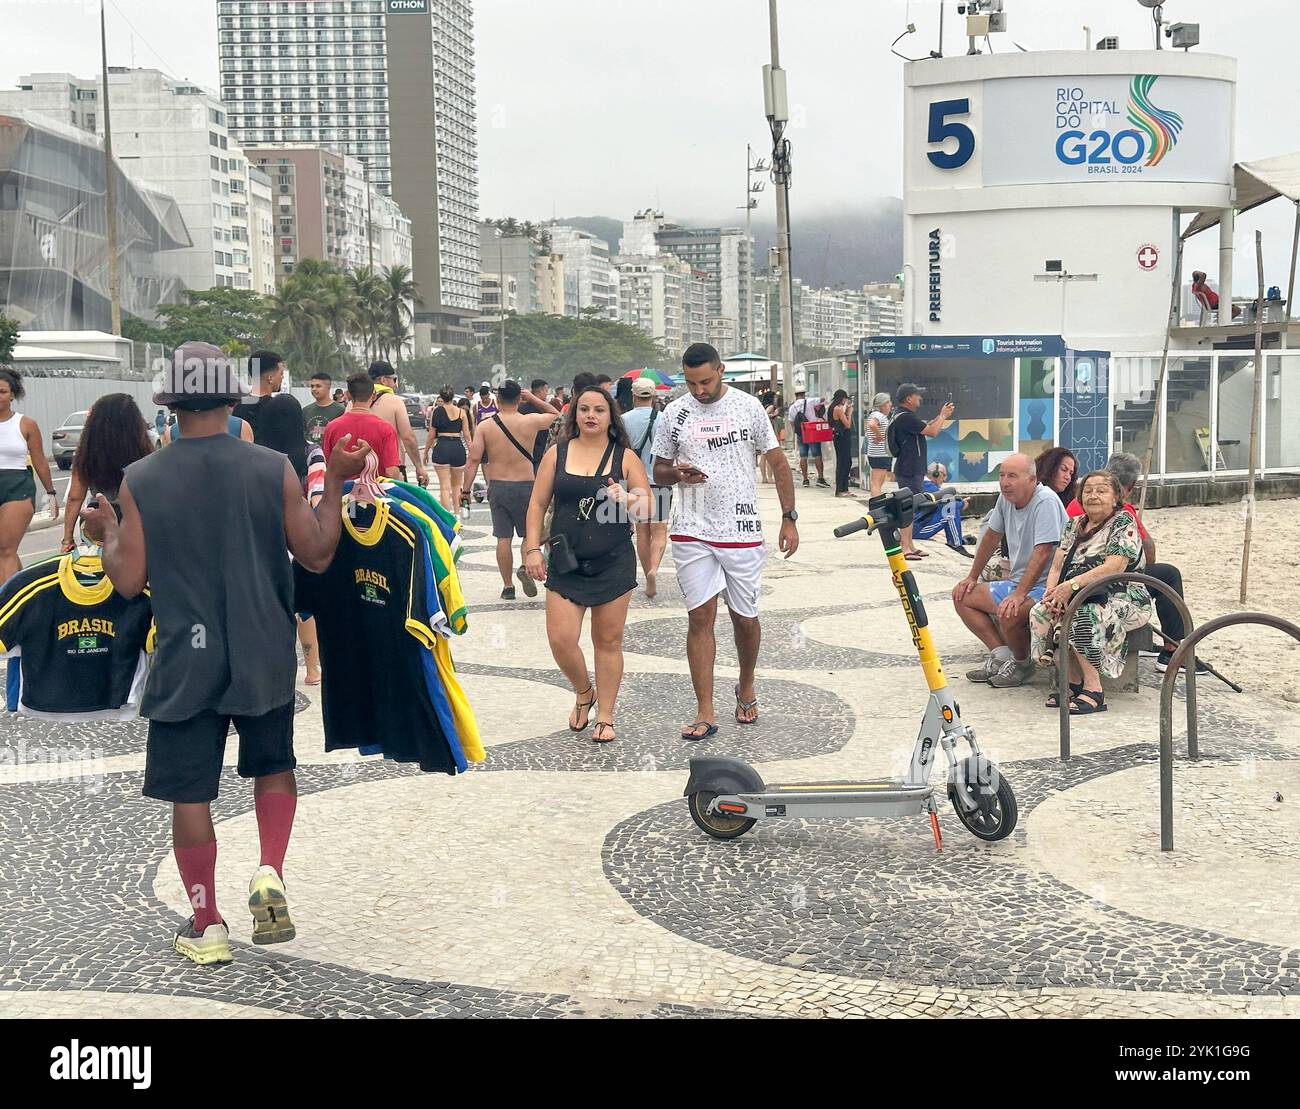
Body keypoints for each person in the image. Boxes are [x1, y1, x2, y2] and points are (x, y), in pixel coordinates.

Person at [81, 340, 370, 965]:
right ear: (233, 396)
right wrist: (337, 482)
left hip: (186, 657)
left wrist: (108, 535)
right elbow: (317, 551)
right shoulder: (271, 468)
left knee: (191, 793)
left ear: (170, 403)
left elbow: (128, 580)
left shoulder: (141, 479)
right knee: (272, 766)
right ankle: (269, 871)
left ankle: (207, 922)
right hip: (264, 646)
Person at [652, 342, 799, 739]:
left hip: (741, 529)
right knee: (700, 618)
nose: (698, 390)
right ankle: (705, 710)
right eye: (690, 382)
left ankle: (746, 682)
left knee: (744, 618)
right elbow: (659, 469)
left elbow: (778, 462)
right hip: (691, 529)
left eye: (705, 381)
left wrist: (789, 518)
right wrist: (677, 474)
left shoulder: (748, 408)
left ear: (720, 371)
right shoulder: (674, 413)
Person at [523, 384, 651, 743]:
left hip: (613, 560)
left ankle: (606, 715)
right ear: (574, 414)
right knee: (561, 639)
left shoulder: (624, 456)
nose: (591, 415)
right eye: (584, 409)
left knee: (607, 641)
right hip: (566, 561)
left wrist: (626, 497)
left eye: (599, 410)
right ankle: (584, 691)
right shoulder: (557, 454)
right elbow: (536, 505)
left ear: (611, 416)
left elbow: (648, 508)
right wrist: (532, 549)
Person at [1067, 452, 1205, 675]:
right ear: (1130, 486)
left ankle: (1167, 646)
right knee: (1168, 574)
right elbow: (1148, 552)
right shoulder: (1119, 507)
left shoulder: (1078, 501)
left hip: (1077, 573)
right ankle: (1172, 650)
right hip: (1103, 579)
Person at [1030, 470, 1152, 714]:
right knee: (1040, 612)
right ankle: (1074, 682)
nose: (1093, 495)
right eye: (1088, 490)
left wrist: (1071, 586)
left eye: (1101, 490)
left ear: (1116, 497)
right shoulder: (1074, 525)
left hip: (1123, 594)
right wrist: (1052, 594)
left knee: (1082, 614)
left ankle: (1094, 689)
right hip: (1075, 593)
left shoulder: (1122, 522)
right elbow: (1056, 565)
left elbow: (1114, 567)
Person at [952, 452, 1068, 688]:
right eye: (1002, 475)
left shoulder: (1045, 500)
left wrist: (1019, 594)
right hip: (1018, 581)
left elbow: (1043, 550)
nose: (1005, 482)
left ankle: (1022, 663)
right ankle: (1001, 655)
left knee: (1010, 611)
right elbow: (991, 536)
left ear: (1032, 480)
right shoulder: (1006, 499)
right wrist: (972, 576)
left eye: (1012, 476)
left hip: (1047, 587)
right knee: (962, 594)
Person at [462, 380, 560, 599]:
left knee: (503, 538)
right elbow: (557, 415)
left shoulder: (486, 426)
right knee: (528, 534)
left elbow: (474, 459)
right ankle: (525, 566)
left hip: (497, 486)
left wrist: (466, 491)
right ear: (519, 399)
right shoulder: (530, 421)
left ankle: (507, 586)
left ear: (497, 399)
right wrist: (535, 399)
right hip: (526, 485)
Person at [60, 394, 154, 554]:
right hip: (135, 519)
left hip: (97, 519)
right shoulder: (143, 448)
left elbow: (75, 497)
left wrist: (67, 539)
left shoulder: (86, 450)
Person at [0, 368, 58, 581]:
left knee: (5, 549)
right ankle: (20, 592)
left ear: (12, 394)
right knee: (6, 552)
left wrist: (51, 492)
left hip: (17, 486)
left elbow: (40, 460)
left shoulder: (25, 424)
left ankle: (5, 607)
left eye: (2, 392)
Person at [889, 383, 955, 560]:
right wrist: (943, 416)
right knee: (908, 508)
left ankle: (910, 545)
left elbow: (926, 427)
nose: (920, 398)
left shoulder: (905, 416)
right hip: (909, 469)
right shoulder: (905, 417)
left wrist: (939, 416)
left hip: (910, 468)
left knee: (912, 507)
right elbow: (933, 432)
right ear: (909, 398)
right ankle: (905, 548)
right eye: (917, 395)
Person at [621, 376, 669, 597]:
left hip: (635, 484)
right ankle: (654, 570)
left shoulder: (623, 420)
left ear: (633, 396)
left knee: (641, 531)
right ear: (654, 396)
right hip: (660, 481)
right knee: (659, 529)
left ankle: (645, 569)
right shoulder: (664, 419)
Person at [232, 350, 308, 484]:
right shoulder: (285, 406)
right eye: (281, 373)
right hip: (280, 480)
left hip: (245, 480)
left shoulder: (236, 408)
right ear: (270, 378)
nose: (282, 377)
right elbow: (296, 454)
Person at [322, 374, 401, 478]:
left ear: (349, 395)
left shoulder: (332, 427)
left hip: (341, 492)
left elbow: (325, 466)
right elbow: (391, 472)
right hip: (376, 492)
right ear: (373, 395)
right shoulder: (386, 428)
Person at [366, 361, 428, 487]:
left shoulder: (353, 403)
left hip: (363, 470)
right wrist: (419, 467)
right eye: (394, 379)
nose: (395, 384)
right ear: (384, 380)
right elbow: (408, 437)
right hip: (392, 469)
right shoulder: (394, 401)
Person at [425, 385, 469, 513]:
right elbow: (467, 435)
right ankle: (457, 515)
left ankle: (447, 519)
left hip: (442, 447)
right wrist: (472, 451)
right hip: (457, 448)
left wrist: (426, 451)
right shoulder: (462, 412)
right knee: (457, 486)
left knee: (444, 487)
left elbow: (431, 435)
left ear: (441, 397)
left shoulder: (437, 411)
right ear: (453, 396)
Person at [915, 462, 971, 557]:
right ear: (936, 474)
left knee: (951, 508)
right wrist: (962, 504)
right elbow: (947, 503)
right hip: (917, 531)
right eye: (944, 475)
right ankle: (956, 544)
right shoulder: (930, 488)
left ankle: (958, 541)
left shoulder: (922, 485)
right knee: (951, 510)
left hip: (915, 526)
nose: (944, 479)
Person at [786, 387, 828, 489]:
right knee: (817, 455)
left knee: (803, 456)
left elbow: (791, 422)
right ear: (803, 394)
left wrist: (796, 434)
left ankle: (805, 479)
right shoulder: (810, 401)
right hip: (812, 431)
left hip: (801, 433)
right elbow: (822, 399)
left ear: (796, 395)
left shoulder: (792, 407)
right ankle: (820, 478)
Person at [303, 371, 345, 449]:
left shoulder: (340, 410)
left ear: (328, 387)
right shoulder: (306, 410)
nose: (314, 389)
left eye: (318, 386)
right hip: (311, 456)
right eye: (312, 386)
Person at [864, 392, 893, 497]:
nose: (890, 405)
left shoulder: (877, 415)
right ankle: (876, 502)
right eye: (888, 402)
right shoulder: (878, 415)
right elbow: (872, 424)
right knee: (876, 483)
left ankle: (877, 499)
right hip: (879, 454)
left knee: (878, 482)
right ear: (882, 404)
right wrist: (880, 436)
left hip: (879, 453)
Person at [828, 388, 854, 496]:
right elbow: (847, 424)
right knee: (843, 462)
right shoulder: (838, 409)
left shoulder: (833, 408)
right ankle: (840, 489)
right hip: (842, 437)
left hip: (840, 437)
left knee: (846, 461)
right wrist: (849, 413)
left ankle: (844, 488)